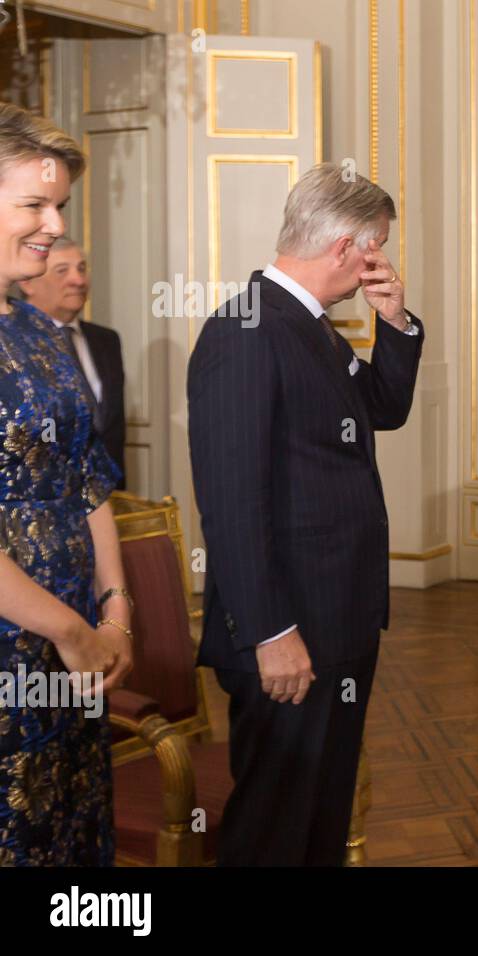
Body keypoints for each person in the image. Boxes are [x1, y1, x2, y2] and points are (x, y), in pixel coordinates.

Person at [187, 163, 423, 865]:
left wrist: (397, 322)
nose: (379, 260)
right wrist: (270, 632)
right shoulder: (247, 329)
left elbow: (384, 408)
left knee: (320, 815)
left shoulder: (310, 326)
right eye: (376, 245)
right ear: (348, 247)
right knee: (274, 830)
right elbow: (232, 502)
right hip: (289, 634)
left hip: (338, 621)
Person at [0, 103, 133, 866]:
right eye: (34, 205)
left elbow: (87, 482)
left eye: (61, 207)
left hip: (73, 659)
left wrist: (115, 609)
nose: (54, 226)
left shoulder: (37, 332)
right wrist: (74, 632)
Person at [19, 238, 127, 489]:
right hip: (41, 503)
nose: (78, 280)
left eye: (81, 268)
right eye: (62, 270)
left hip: (108, 499)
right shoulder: (12, 343)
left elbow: (110, 430)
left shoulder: (107, 340)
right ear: (27, 282)